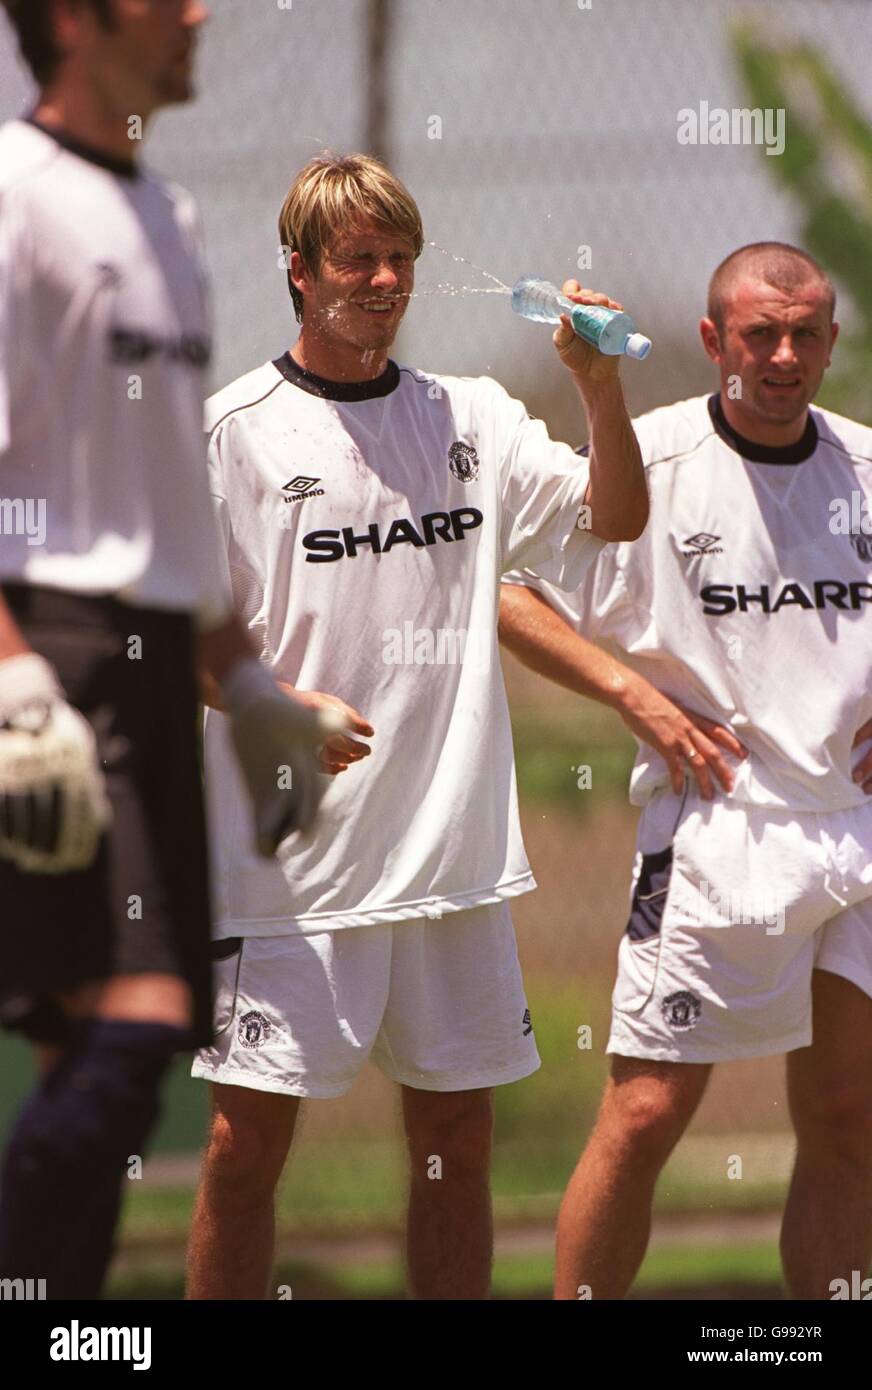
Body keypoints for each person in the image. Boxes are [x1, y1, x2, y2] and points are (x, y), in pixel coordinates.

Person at [185, 151, 648, 1300]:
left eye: (401, 257)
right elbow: (169, 629)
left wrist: (597, 385)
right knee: (245, 1151)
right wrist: (279, 706)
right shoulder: (233, 433)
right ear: (297, 270)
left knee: (455, 1147)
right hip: (286, 867)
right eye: (359, 259)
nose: (386, 279)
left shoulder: (473, 416)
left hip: (450, 863)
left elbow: (618, 517)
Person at [0, 0, 335, 1300]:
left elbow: (162, 500)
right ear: (78, 19)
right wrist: (20, 685)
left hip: (145, 658)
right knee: (132, 1032)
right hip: (44, 651)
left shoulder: (170, 219)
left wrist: (247, 683)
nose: (202, 11)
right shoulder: (17, 197)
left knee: (107, 1059)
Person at [499, 241, 872, 1300]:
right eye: (760, 332)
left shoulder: (862, 464)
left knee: (847, 1116)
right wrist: (634, 694)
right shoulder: (647, 459)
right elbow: (507, 595)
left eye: (805, 334)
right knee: (646, 1112)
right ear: (712, 341)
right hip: (717, 833)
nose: (784, 353)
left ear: (830, 342)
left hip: (857, 825)